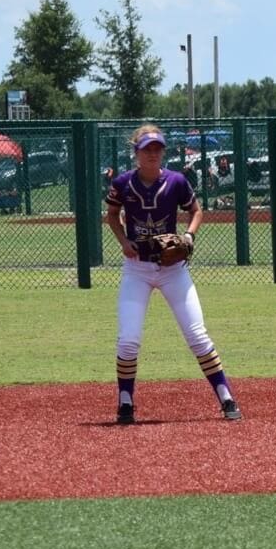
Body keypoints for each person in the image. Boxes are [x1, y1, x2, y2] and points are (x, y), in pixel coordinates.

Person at [104, 124, 241, 424]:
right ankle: (125, 402)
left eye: (157, 148)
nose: (153, 154)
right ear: (136, 152)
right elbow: (112, 215)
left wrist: (189, 237)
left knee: (197, 335)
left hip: (172, 269)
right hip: (137, 268)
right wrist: (124, 242)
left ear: (163, 151)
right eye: (146, 149)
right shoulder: (123, 183)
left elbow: (196, 210)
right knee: (128, 339)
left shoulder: (176, 181)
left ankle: (225, 395)